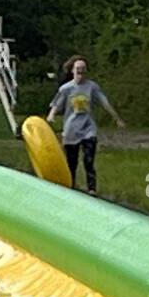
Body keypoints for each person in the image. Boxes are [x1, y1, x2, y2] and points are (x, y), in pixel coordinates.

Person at [46, 56, 125, 194]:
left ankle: (92, 188)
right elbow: (56, 104)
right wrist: (51, 115)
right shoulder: (66, 89)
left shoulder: (92, 87)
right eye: (78, 70)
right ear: (72, 71)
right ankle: (70, 186)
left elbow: (104, 102)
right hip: (71, 129)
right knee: (72, 162)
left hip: (88, 127)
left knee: (89, 159)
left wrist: (116, 118)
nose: (81, 73)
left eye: (83, 70)